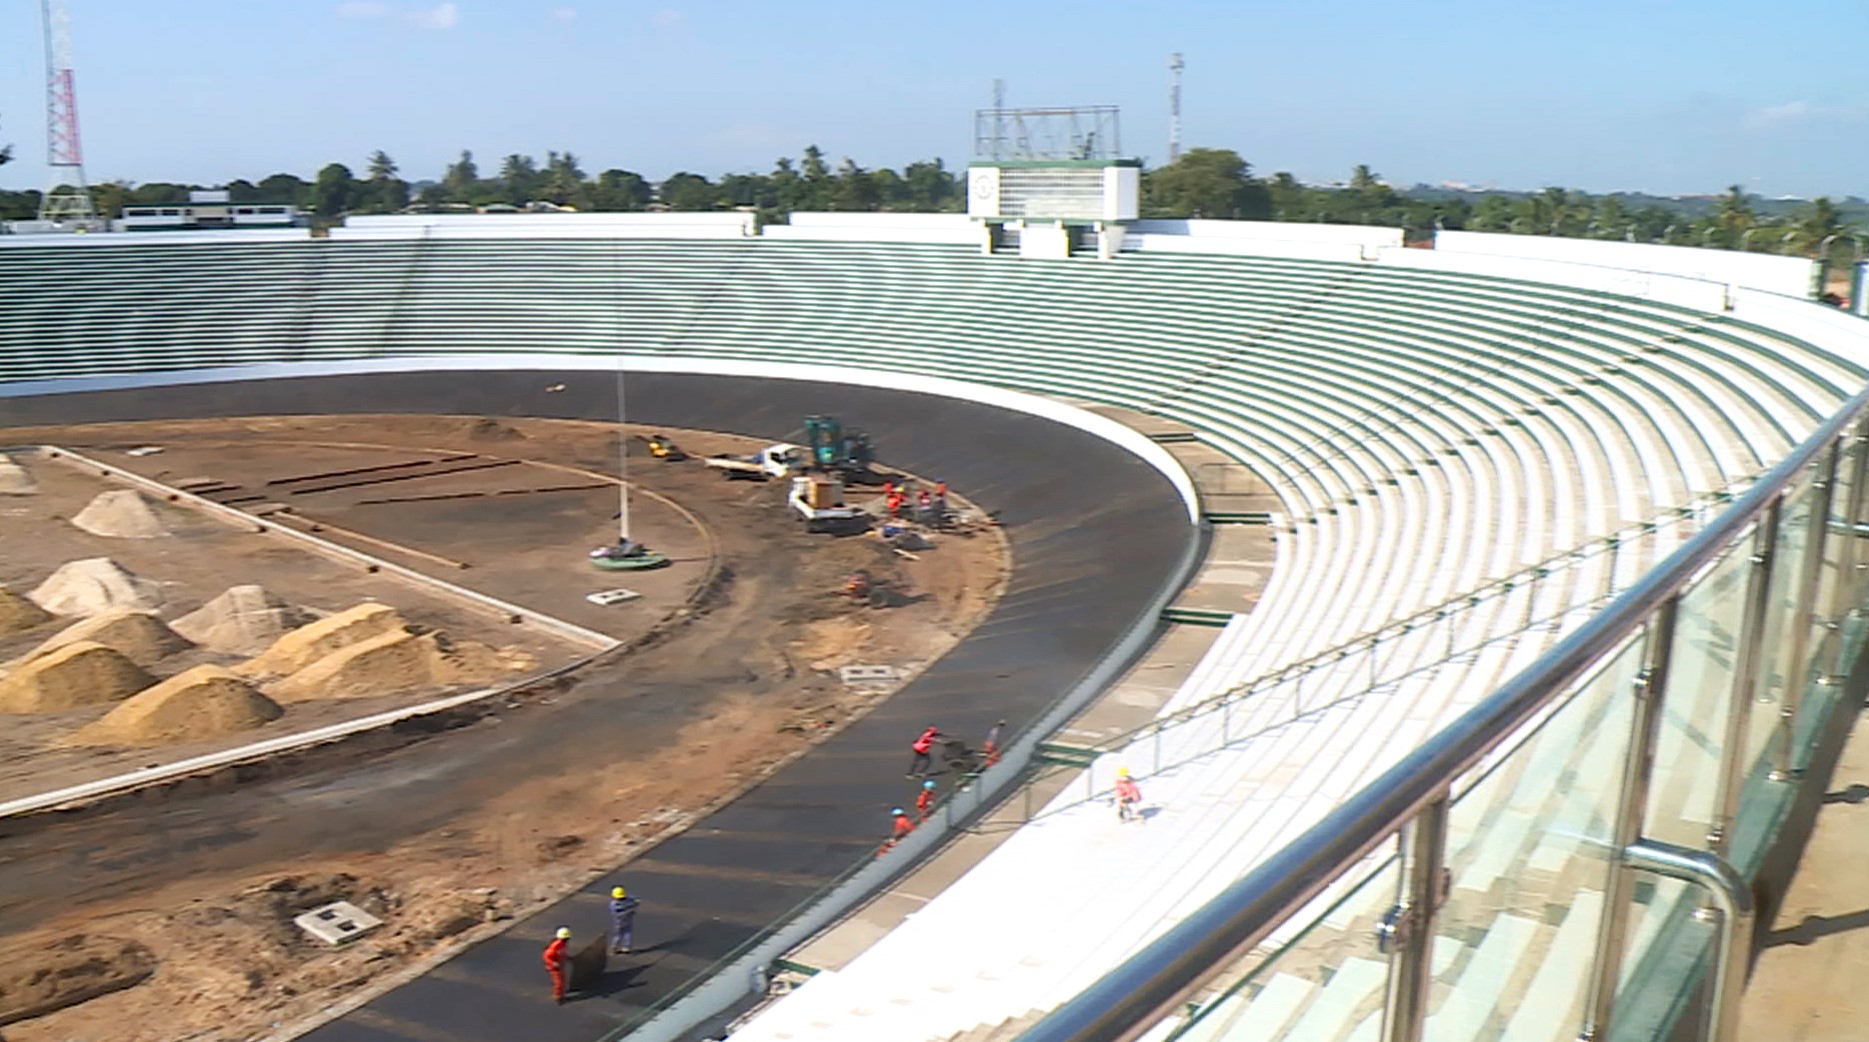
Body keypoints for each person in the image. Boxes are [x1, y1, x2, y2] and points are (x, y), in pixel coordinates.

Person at [543, 926, 571, 1004]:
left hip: (560, 965)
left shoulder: (563, 944)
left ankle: (562, 992)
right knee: (559, 982)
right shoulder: (555, 946)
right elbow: (546, 956)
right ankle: (558, 997)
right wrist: (553, 963)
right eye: (565, 939)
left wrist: (567, 957)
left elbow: (562, 953)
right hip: (554, 968)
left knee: (563, 979)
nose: (566, 941)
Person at [609, 885, 640, 954]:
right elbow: (636, 901)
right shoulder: (629, 901)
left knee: (617, 935)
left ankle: (615, 947)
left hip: (618, 921)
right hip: (628, 920)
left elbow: (614, 913)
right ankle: (626, 947)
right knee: (628, 933)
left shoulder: (613, 904)